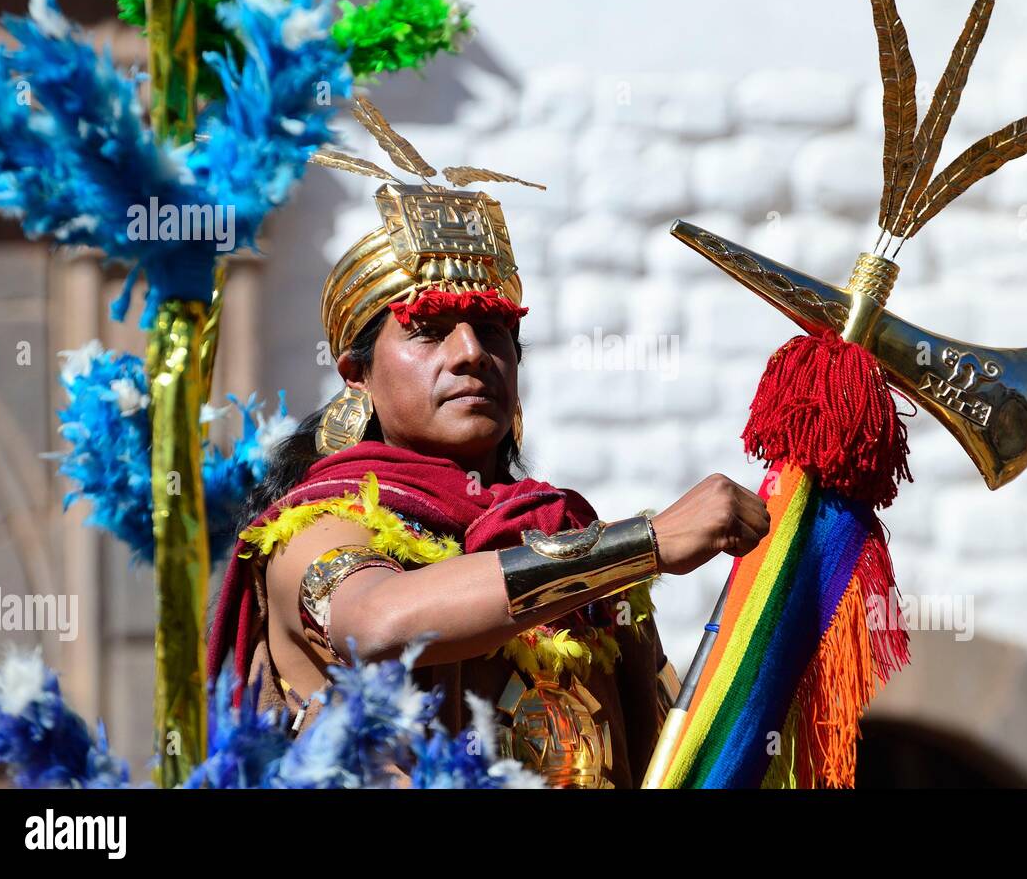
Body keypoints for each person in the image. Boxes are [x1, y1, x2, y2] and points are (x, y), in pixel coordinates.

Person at [206, 107, 771, 788]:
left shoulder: (561, 530)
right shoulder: (315, 525)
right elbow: (380, 624)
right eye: (429, 329)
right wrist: (644, 542)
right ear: (355, 374)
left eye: (495, 330)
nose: (472, 353)